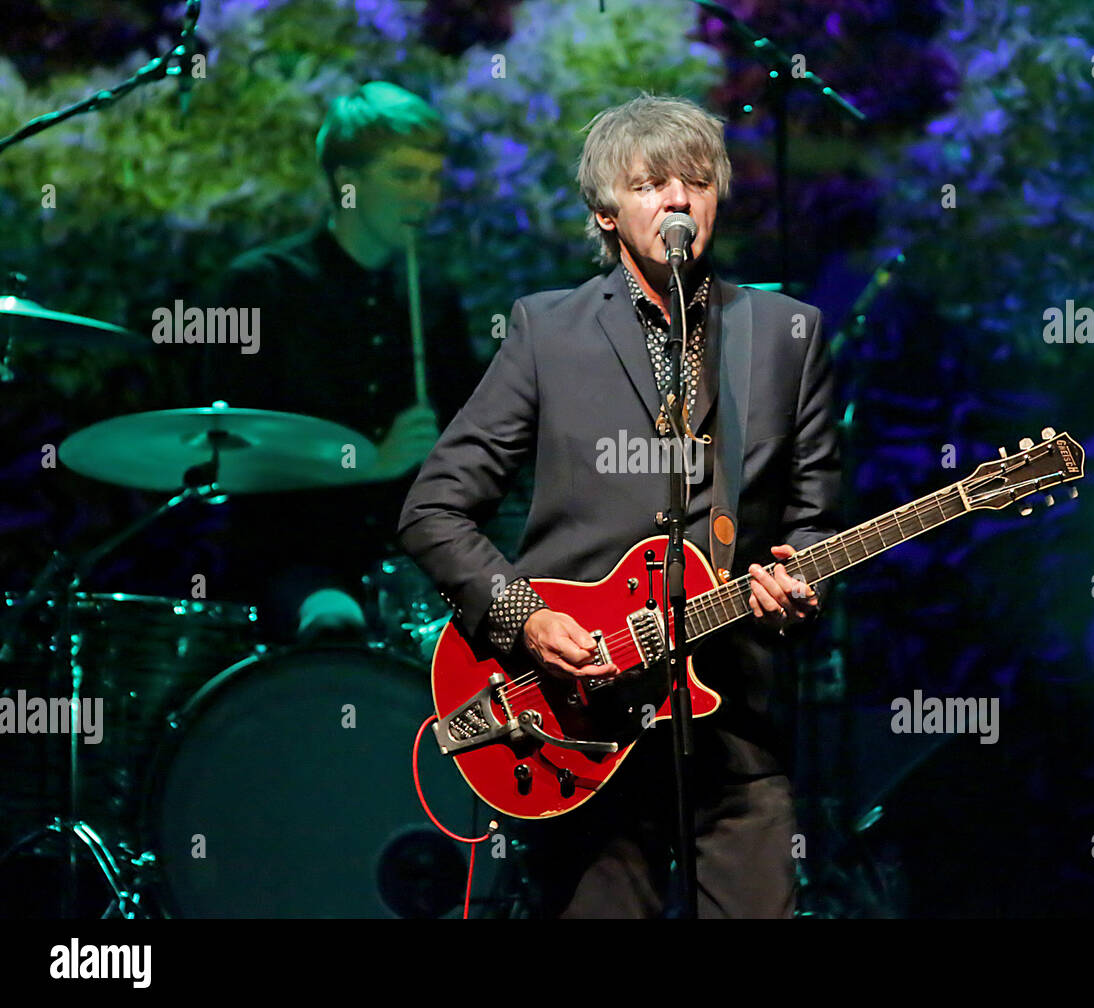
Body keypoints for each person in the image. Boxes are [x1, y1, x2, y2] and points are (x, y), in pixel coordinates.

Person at [398, 94, 841, 918]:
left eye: (697, 182)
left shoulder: (786, 334)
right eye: (651, 184)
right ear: (606, 212)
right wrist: (524, 619)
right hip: (577, 723)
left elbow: (812, 522)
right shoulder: (547, 333)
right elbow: (434, 509)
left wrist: (797, 590)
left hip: (734, 719)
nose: (678, 199)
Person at [201, 81, 479, 641]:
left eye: (432, 177)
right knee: (335, 624)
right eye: (404, 176)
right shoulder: (264, 286)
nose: (425, 195)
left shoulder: (432, 296)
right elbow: (233, 448)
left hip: (413, 560)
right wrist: (365, 463)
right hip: (295, 556)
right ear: (345, 182)